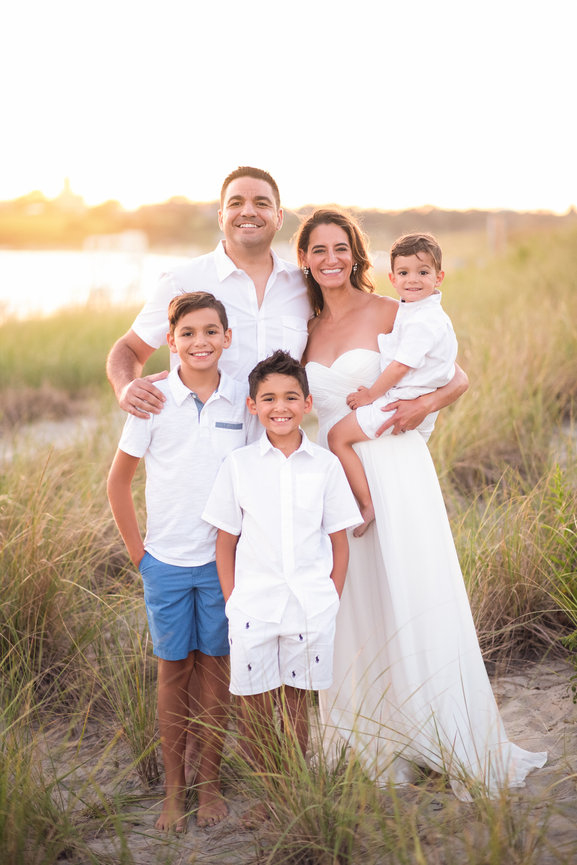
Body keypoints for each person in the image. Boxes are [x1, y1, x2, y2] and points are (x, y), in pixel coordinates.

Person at [297, 209, 546, 801]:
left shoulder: (393, 309)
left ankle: (437, 729)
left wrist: (421, 406)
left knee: (411, 589)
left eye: (340, 247)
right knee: (356, 598)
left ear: (356, 254)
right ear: (305, 258)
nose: (330, 258)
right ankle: (374, 737)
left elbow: (454, 375)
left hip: (395, 467)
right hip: (340, 473)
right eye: (317, 250)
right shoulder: (302, 326)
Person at [107, 292, 257, 832]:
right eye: (188, 333)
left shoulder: (244, 401)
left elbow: (258, 474)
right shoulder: (152, 399)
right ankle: (174, 790)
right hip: (165, 563)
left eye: (211, 332)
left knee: (216, 669)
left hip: (223, 565)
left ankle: (210, 783)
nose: (200, 342)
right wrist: (139, 556)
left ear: (227, 339)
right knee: (174, 670)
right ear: (170, 342)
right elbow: (118, 482)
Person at [202, 350, 361, 823]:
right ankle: (267, 792)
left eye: (291, 397)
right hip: (253, 604)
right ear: (252, 407)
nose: (280, 406)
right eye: (268, 398)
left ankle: (293, 791)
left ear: (307, 403)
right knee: (254, 705)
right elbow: (224, 542)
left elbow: (339, 542)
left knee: (297, 702)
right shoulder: (239, 465)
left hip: (310, 604)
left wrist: (330, 596)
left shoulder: (326, 466)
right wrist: (233, 602)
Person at [106, 166, 311, 418]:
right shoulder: (182, 280)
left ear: (278, 218)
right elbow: (129, 348)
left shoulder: (305, 286)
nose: (248, 211)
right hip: (202, 447)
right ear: (221, 217)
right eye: (236, 203)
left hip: (277, 451)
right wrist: (125, 387)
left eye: (261, 203)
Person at [327, 232, 457, 536]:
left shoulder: (423, 321)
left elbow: (401, 366)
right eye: (404, 273)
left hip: (395, 402)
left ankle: (368, 503)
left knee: (336, 438)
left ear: (439, 277)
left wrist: (371, 395)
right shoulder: (415, 311)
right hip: (400, 397)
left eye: (423, 273)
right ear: (392, 277)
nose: (413, 280)